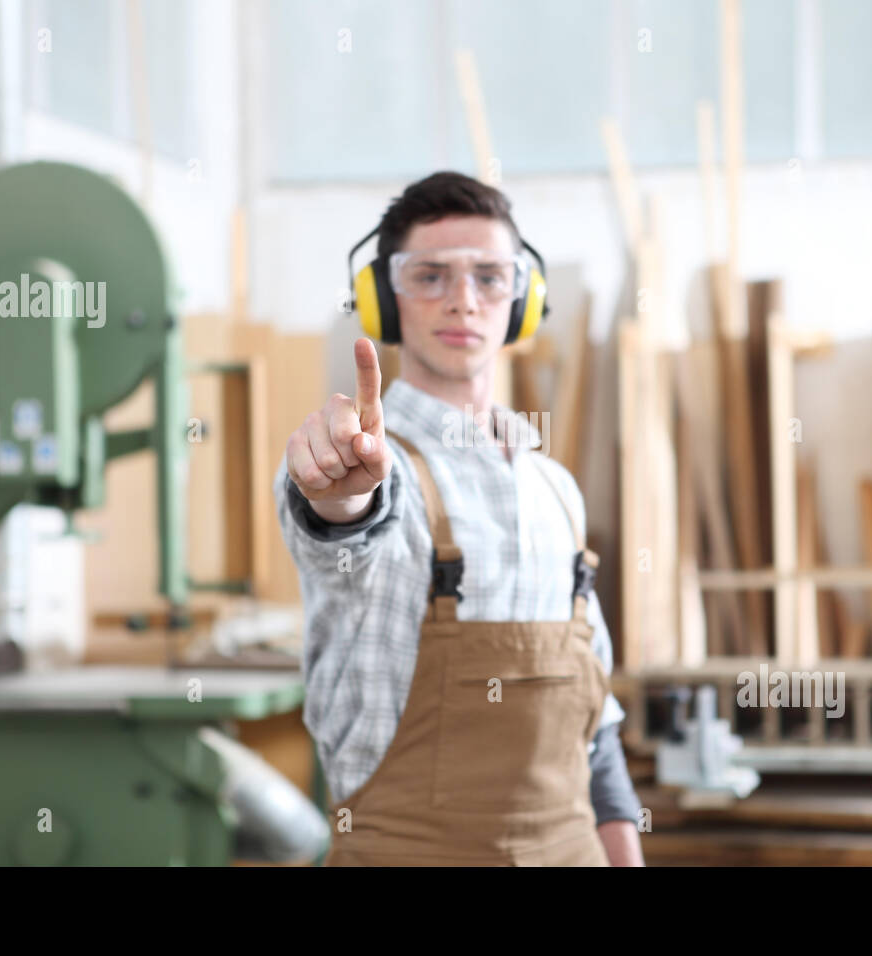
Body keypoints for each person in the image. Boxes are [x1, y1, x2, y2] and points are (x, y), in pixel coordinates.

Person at [276, 171, 644, 866]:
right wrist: (336, 493)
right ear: (384, 299)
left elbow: (597, 726)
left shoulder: (556, 490)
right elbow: (341, 525)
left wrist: (624, 854)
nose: (463, 301)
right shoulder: (371, 466)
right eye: (430, 276)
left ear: (523, 300)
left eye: (489, 277)